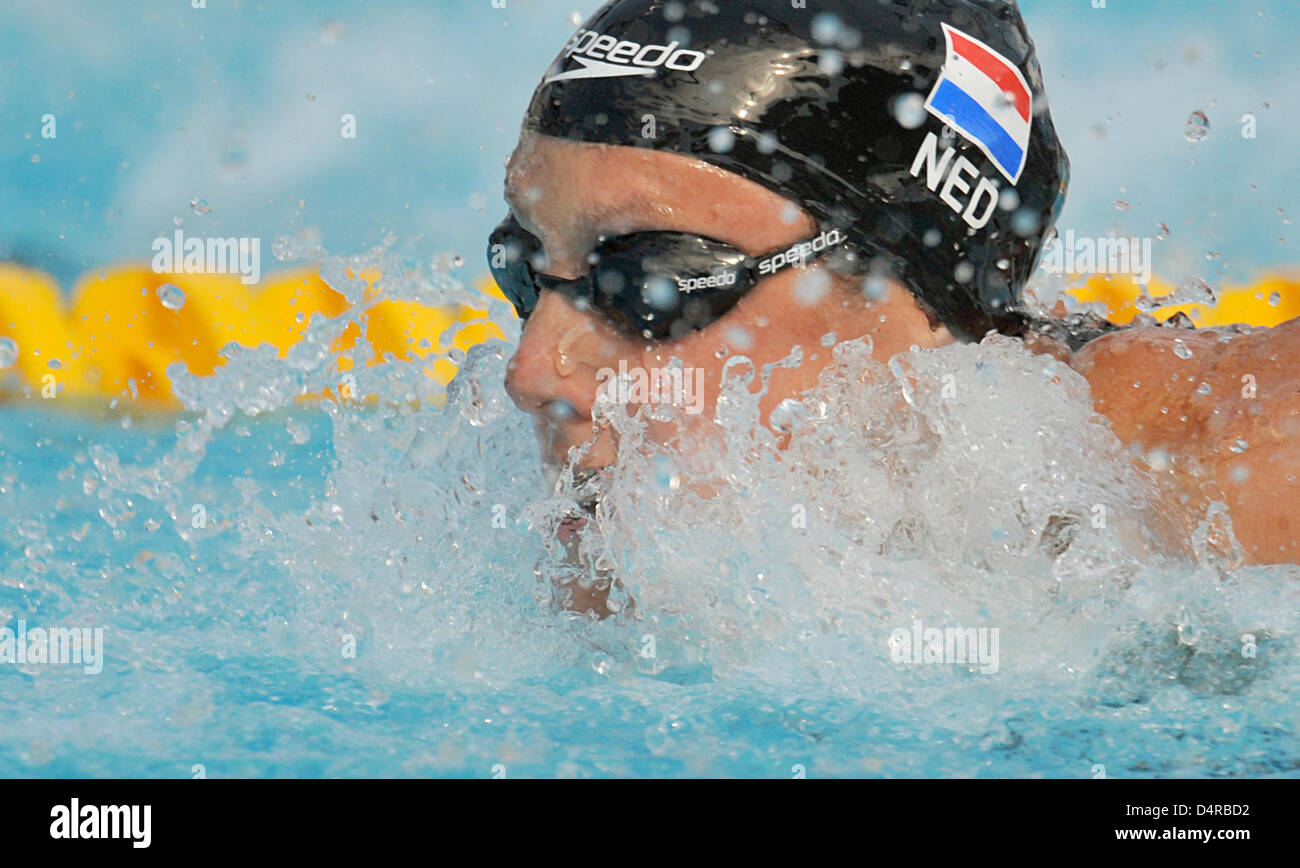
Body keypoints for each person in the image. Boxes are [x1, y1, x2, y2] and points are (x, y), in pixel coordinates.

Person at [487, 0, 1298, 606]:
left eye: (648, 282)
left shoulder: (1226, 488)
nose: (530, 374)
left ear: (907, 292)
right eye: (523, 266)